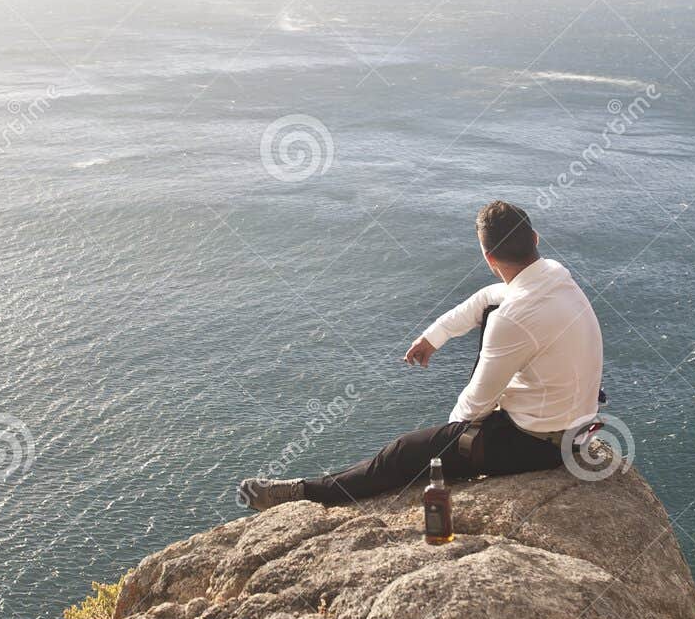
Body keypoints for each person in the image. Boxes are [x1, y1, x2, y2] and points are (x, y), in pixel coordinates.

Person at [238, 201, 603, 510]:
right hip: (576, 431)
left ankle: (305, 493)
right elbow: (488, 298)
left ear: (488, 257)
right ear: (535, 240)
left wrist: (449, 439)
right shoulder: (554, 275)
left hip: (541, 447)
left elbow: (475, 406)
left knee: (401, 453)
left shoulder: (513, 318)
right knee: (493, 310)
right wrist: (435, 336)